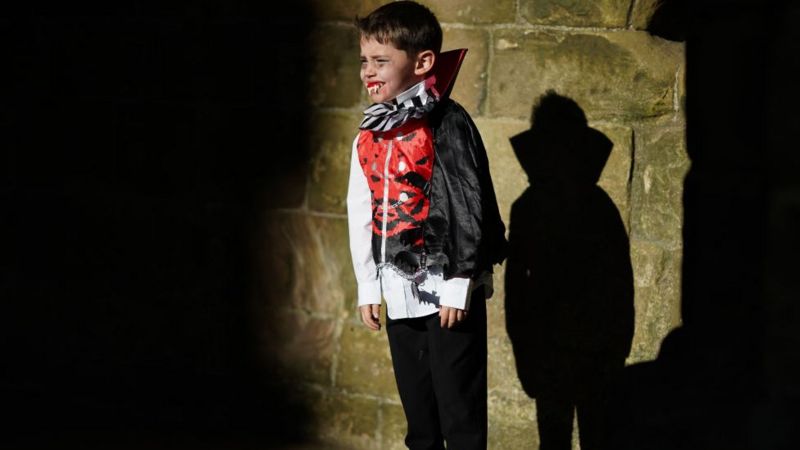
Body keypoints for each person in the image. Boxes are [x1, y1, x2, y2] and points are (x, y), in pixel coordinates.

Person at [346, 2, 507, 449]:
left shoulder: (446, 123)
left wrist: (458, 282)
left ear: (422, 63)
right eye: (364, 60)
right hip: (398, 289)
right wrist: (367, 285)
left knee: (460, 416)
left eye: (381, 61)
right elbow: (360, 209)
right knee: (420, 418)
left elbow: (467, 201)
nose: (368, 71)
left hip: (447, 289)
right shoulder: (369, 133)